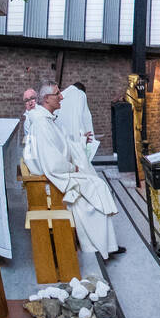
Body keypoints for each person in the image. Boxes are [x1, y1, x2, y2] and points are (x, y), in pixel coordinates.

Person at [23, 82, 123, 257]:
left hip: (57, 174)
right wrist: (73, 167)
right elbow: (52, 162)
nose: (62, 97)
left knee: (97, 185)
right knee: (96, 187)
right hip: (54, 180)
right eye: (57, 94)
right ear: (47, 99)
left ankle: (105, 244)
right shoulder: (41, 123)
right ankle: (97, 246)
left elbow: (62, 144)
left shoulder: (47, 119)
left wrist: (80, 140)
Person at [58, 82, 96, 159]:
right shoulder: (81, 94)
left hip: (61, 141)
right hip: (78, 139)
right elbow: (85, 118)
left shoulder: (61, 95)